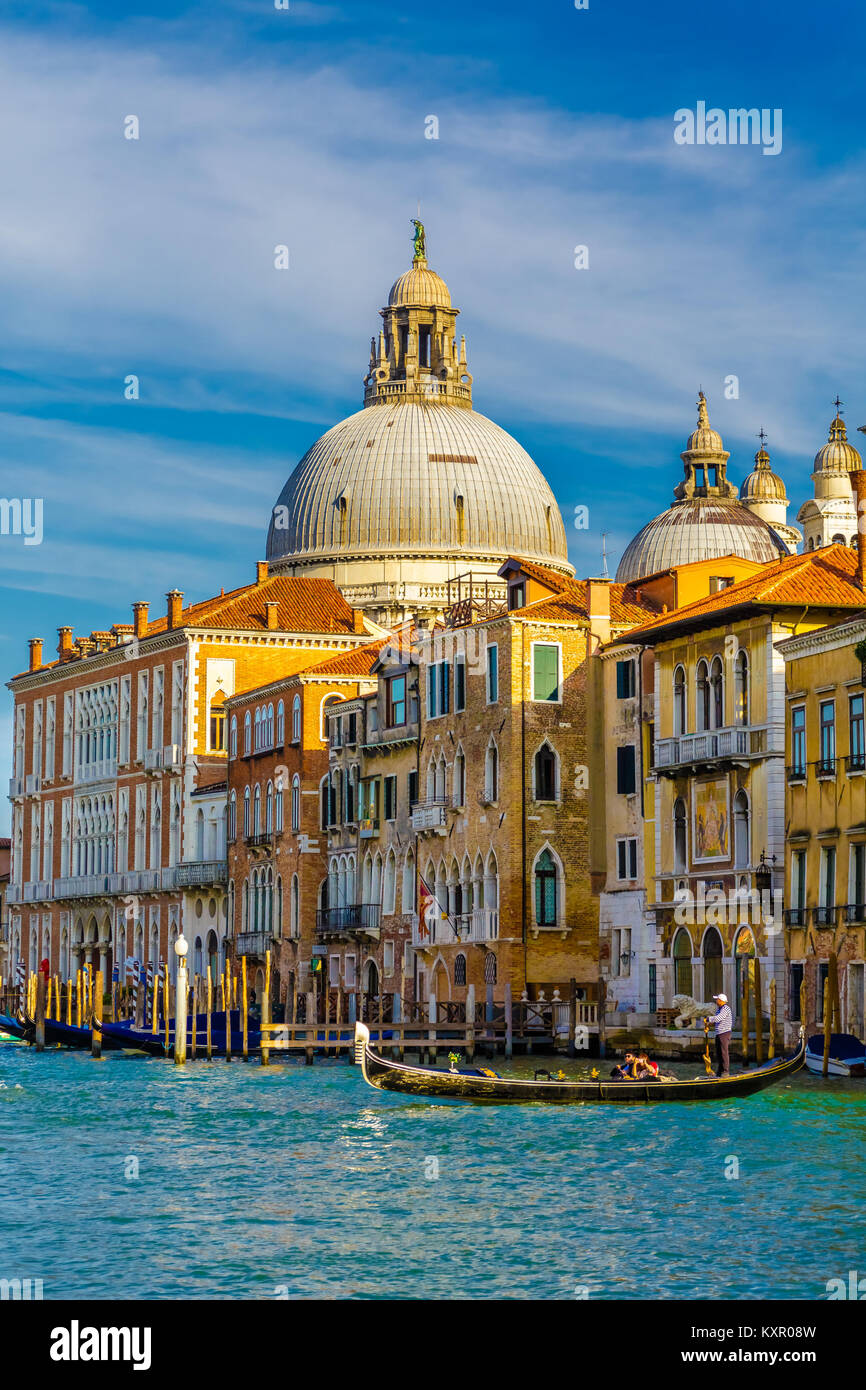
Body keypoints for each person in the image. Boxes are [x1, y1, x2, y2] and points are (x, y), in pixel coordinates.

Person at [707, 992, 733, 1077]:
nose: (716, 1001)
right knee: (719, 1053)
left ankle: (726, 1071)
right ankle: (720, 1071)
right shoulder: (719, 1009)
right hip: (719, 1033)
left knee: (724, 1053)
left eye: (717, 999)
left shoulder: (726, 1008)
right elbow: (717, 1021)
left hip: (724, 1033)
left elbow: (718, 1019)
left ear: (721, 1000)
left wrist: (708, 1019)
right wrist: (708, 1024)